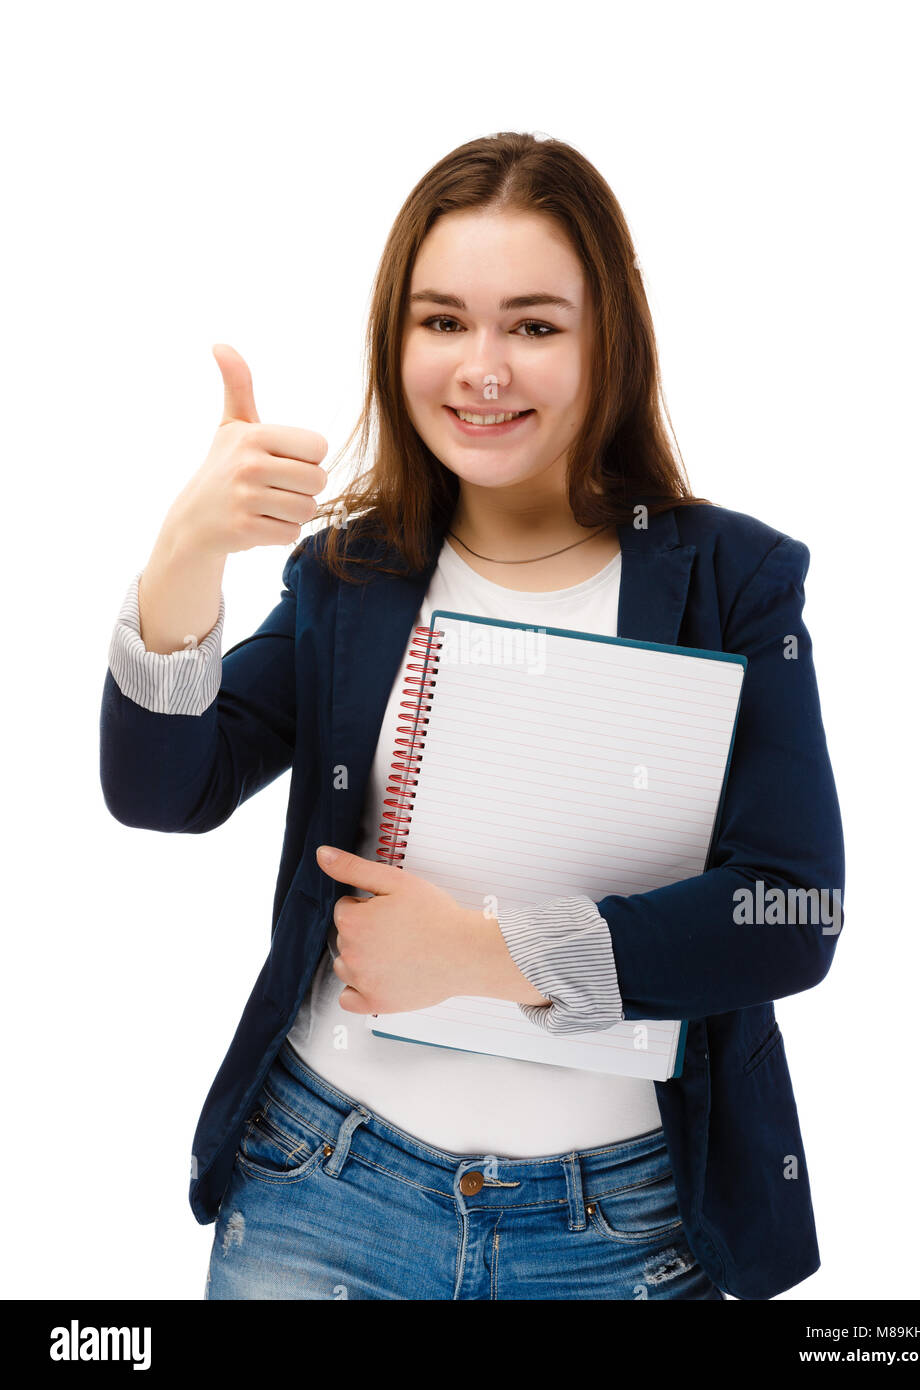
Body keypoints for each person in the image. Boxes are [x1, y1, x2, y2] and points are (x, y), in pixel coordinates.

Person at [100, 131, 844, 1301]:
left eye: (534, 326)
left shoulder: (729, 580)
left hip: (626, 1235)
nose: (481, 368)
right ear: (396, 337)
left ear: (608, 341)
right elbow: (164, 789)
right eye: (442, 321)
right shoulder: (354, 573)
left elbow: (793, 907)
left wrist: (490, 955)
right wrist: (185, 552)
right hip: (322, 1193)